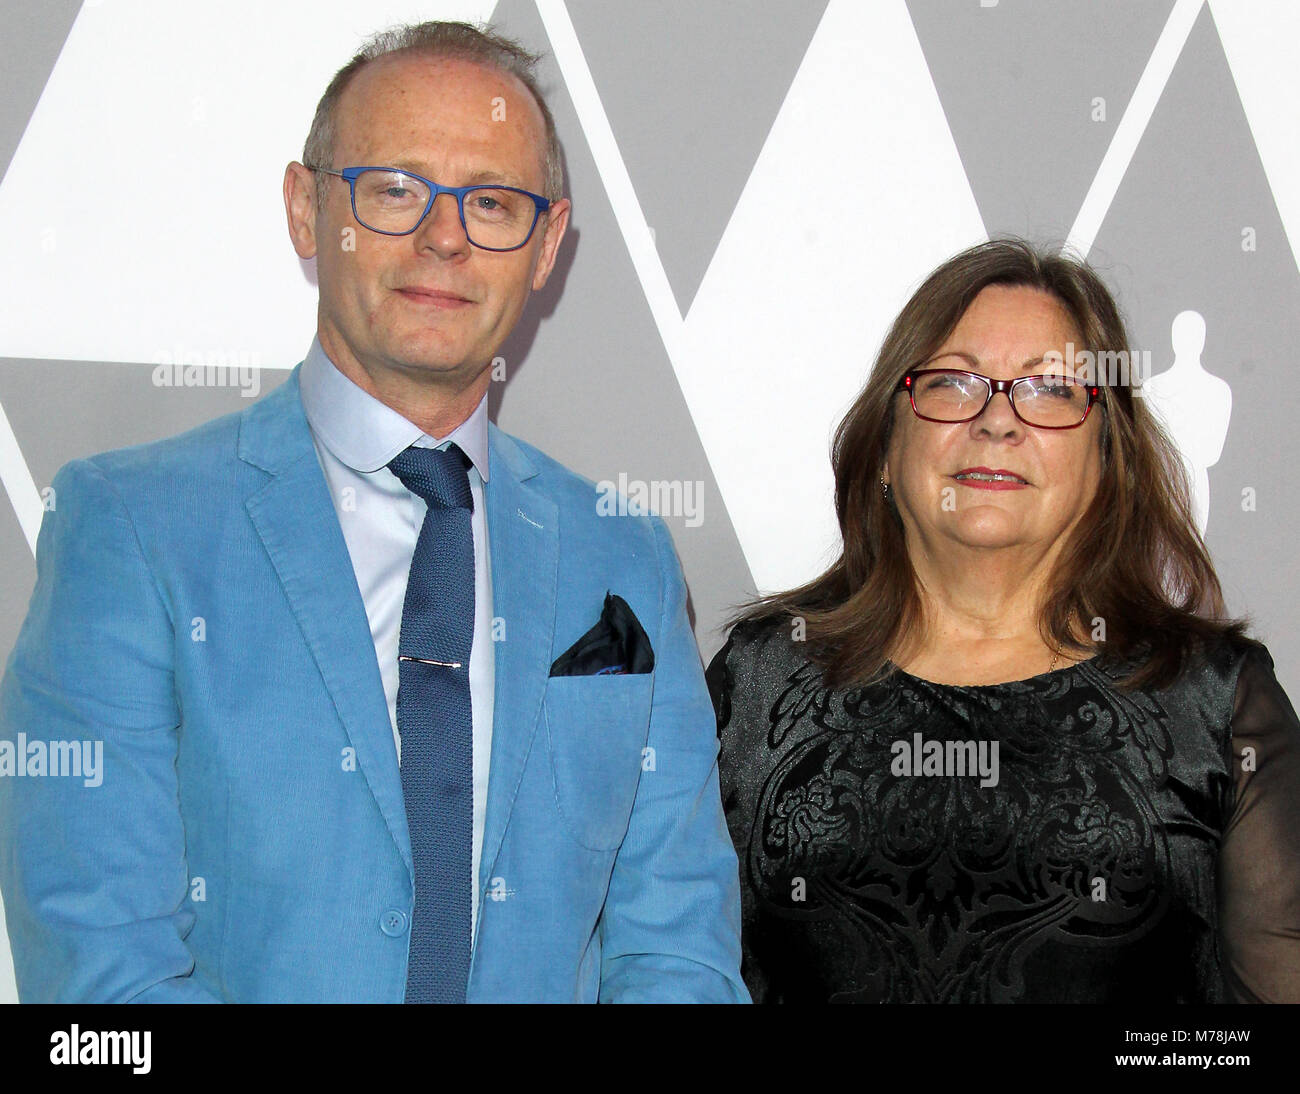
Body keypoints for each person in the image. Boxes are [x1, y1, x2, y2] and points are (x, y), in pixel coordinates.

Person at [0, 21, 746, 1004]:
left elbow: (678, 954)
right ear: (306, 210)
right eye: (395, 189)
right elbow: (99, 973)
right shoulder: (131, 529)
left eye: (492, 201)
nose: (445, 237)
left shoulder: (626, 554)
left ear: (545, 246)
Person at [708, 238, 1300, 1003]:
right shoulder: (760, 680)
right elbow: (665, 964)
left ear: (1108, 458)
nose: (997, 421)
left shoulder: (1214, 702)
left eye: (1049, 389)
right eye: (953, 383)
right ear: (886, 449)